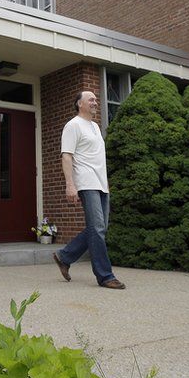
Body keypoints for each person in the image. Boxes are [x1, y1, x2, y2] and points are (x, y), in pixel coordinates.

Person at [51, 91, 126, 289]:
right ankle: (105, 275)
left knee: (99, 228)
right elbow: (66, 156)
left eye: (95, 99)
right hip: (86, 182)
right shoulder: (73, 125)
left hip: (101, 184)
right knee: (98, 228)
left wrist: (106, 184)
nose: (95, 102)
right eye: (90, 99)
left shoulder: (94, 126)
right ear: (79, 104)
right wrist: (70, 185)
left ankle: (65, 256)